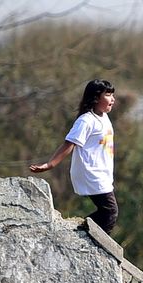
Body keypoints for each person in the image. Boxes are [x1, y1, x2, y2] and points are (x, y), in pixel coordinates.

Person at [29, 78, 118, 234]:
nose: (113, 99)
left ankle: (82, 232)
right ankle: (81, 237)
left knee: (108, 211)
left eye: (112, 95)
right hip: (91, 173)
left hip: (102, 173)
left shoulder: (103, 117)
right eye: (108, 95)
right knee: (109, 211)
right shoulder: (86, 120)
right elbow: (69, 144)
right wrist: (50, 165)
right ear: (96, 98)